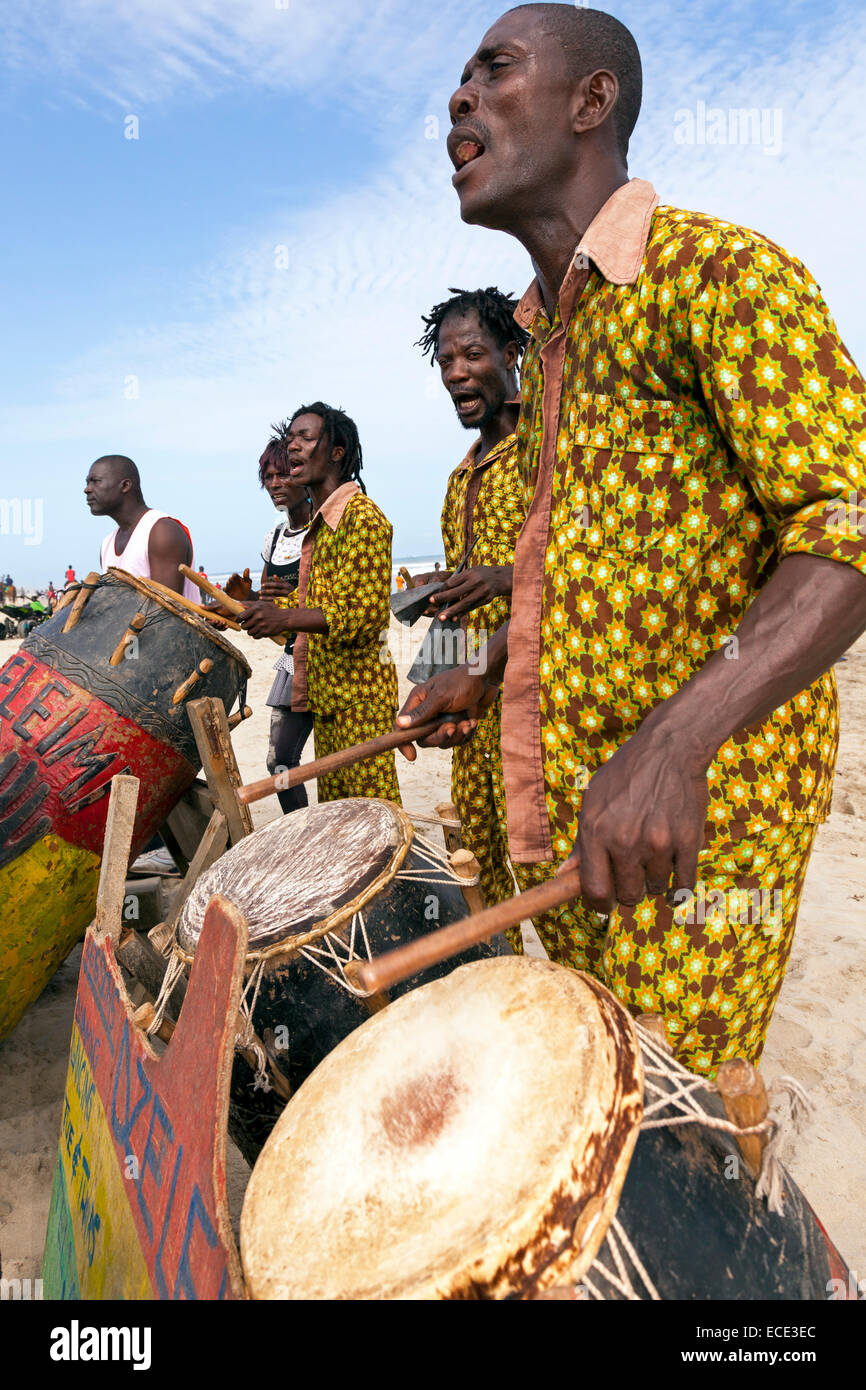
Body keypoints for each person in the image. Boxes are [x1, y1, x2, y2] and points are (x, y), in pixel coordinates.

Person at [397, 3, 866, 1077]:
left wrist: (673, 743)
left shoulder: (713, 272)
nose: (457, 98)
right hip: (567, 822)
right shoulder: (555, 337)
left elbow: (845, 520)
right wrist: (487, 671)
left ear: (590, 100)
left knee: (656, 1131)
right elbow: (577, 575)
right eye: (457, 80)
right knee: (575, 1092)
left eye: (494, 70)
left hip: (692, 840)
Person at [415, 287, 529, 946]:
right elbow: (469, 594)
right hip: (470, 705)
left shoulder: (548, 450)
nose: (456, 370)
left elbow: (578, 568)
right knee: (478, 869)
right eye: (445, 360)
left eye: (472, 353)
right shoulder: (461, 477)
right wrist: (445, 586)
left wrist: (504, 579)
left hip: (531, 702)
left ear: (514, 352)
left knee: (547, 871)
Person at [240, 403, 401, 804]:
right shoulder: (322, 527)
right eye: (291, 438)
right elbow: (316, 600)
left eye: (306, 438)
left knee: (371, 814)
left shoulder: (361, 519)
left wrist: (283, 614)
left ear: (336, 452)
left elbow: (359, 617)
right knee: (339, 815)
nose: (293, 447)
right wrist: (251, 610)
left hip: (360, 700)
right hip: (328, 697)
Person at [233, 423, 314, 815]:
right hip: (290, 660)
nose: (275, 483)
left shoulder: (326, 530)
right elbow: (270, 612)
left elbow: (329, 604)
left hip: (326, 656)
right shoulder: (275, 538)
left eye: (283, 473)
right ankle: (302, 837)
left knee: (342, 760)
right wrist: (241, 601)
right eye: (268, 476)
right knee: (279, 761)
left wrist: (286, 606)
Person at [85, 454, 198, 600]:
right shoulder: (107, 544)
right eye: (87, 483)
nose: (87, 489)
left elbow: (165, 614)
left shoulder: (161, 531)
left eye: (95, 482)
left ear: (125, 486)